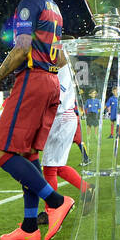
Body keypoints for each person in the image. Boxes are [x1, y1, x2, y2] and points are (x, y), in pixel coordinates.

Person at [0, 0, 75, 240]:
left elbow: (21, 50)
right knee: (29, 156)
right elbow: (60, 56)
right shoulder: (56, 10)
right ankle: (30, 226)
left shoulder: (29, 5)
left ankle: (56, 202)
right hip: (52, 82)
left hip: (33, 81)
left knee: (2, 152)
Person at [38, 49, 87, 227]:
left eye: (56, 51)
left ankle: (51, 211)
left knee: (49, 168)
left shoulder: (62, 70)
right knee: (56, 166)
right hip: (65, 118)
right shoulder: (66, 69)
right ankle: (88, 190)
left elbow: (55, 98)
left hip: (61, 119)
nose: (52, 54)